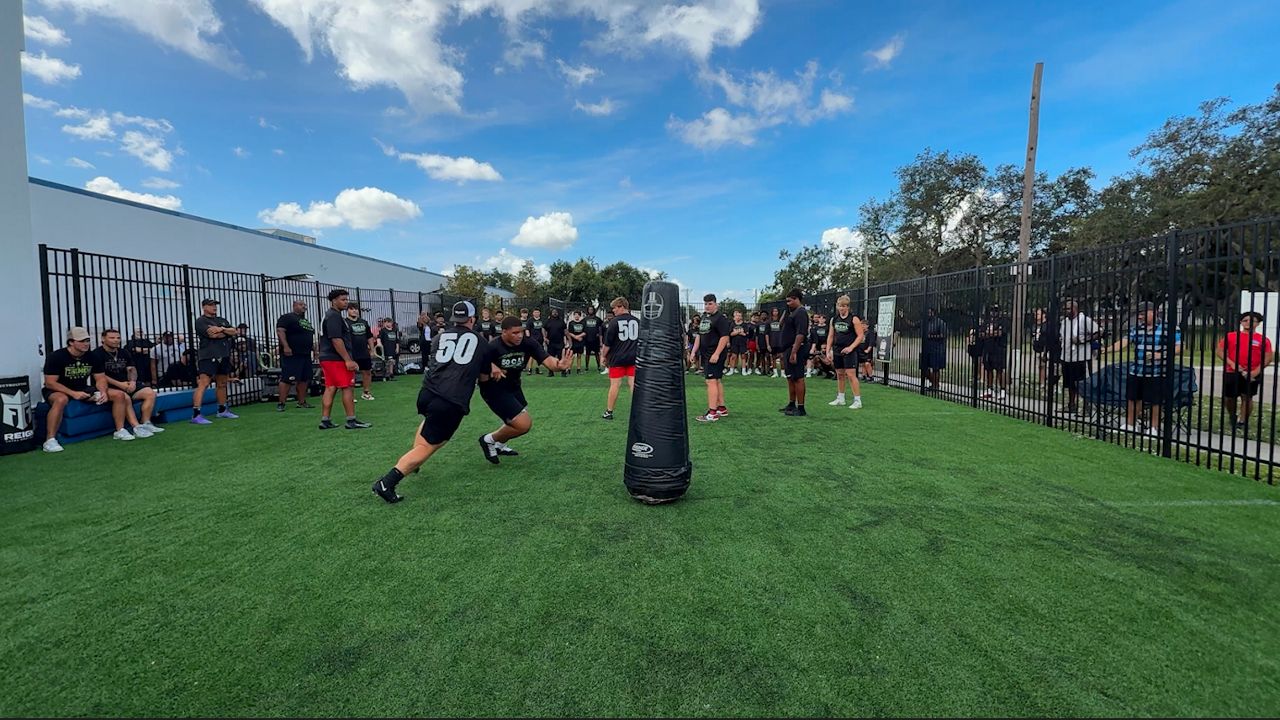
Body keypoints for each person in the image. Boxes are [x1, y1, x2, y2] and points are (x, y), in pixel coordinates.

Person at [371, 301, 500, 504]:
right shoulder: (481, 342)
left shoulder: (439, 337)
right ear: (472, 319)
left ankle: (414, 462)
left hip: (427, 392)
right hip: (450, 400)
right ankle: (387, 483)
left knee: (430, 426)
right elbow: (484, 378)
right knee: (432, 444)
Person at [478, 316, 574, 463]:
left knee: (516, 418)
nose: (519, 336)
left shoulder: (528, 343)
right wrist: (490, 365)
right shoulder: (493, 346)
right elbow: (476, 362)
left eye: (521, 332)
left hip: (514, 386)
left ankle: (499, 445)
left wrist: (559, 365)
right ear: (503, 332)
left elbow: (547, 360)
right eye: (515, 333)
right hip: (494, 389)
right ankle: (488, 439)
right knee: (523, 424)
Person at [1106, 302, 1181, 435]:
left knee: (1155, 401)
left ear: (1153, 312)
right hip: (1137, 370)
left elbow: (1179, 347)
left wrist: (1161, 355)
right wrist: (1106, 350)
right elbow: (1123, 342)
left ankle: (1154, 428)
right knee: (1132, 398)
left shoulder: (1169, 328)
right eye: (1138, 314)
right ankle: (1130, 425)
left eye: (1142, 314)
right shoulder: (1136, 328)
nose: (1140, 317)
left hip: (1157, 371)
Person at [89, 328, 162, 440]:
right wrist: (120, 385)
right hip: (108, 386)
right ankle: (136, 427)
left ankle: (146, 423)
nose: (116, 340)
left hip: (126, 383)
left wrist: (132, 382)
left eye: (118, 338)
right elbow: (100, 376)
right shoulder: (96, 354)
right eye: (112, 338)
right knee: (124, 397)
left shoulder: (123, 352)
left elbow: (131, 369)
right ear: (103, 339)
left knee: (150, 393)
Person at [40, 327, 104, 453]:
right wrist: (73, 394)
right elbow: (50, 383)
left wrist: (103, 392)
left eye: (87, 341)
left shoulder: (92, 356)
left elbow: (101, 379)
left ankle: (121, 430)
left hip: (81, 388)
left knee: (117, 395)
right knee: (61, 399)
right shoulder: (56, 356)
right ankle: (50, 440)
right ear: (71, 342)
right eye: (81, 341)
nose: (86, 344)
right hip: (57, 389)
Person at [317, 288, 371, 431]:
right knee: (347, 386)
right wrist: (347, 359)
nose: (346, 302)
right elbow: (336, 339)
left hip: (327, 357)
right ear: (334, 301)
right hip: (335, 358)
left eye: (347, 299)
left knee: (331, 387)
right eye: (343, 299)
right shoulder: (334, 316)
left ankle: (325, 419)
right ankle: (351, 420)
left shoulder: (331, 315)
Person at [1218, 311, 1274, 432]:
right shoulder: (1231, 336)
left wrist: (1256, 371)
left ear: (1258, 324)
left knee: (1247, 397)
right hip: (1232, 371)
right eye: (1245, 320)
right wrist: (1232, 363)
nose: (1248, 322)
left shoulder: (1263, 339)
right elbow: (1220, 351)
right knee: (1229, 398)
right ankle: (1232, 416)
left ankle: (1242, 421)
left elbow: (1268, 357)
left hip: (1252, 372)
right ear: (1241, 322)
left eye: (1252, 321)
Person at [191, 298, 240, 424]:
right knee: (204, 383)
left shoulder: (221, 320)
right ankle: (196, 414)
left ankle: (222, 410)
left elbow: (234, 331)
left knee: (222, 383)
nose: (214, 307)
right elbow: (212, 334)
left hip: (223, 355)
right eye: (211, 305)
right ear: (204, 307)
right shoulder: (201, 321)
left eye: (215, 305)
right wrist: (225, 332)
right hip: (208, 356)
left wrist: (222, 329)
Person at [691, 294, 732, 422]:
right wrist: (693, 352)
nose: (707, 306)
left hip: (714, 354)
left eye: (710, 303)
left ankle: (712, 413)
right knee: (717, 380)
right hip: (706, 353)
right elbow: (699, 335)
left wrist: (717, 353)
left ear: (716, 304)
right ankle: (721, 408)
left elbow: (724, 337)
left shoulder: (720, 319)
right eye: (705, 304)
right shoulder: (704, 317)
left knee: (711, 381)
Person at [1059, 300, 1101, 415]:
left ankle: (1086, 408)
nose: (1065, 311)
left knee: (1081, 382)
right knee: (1069, 383)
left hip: (1080, 357)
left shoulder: (1084, 320)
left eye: (1068, 308)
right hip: (1066, 356)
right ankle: (1071, 405)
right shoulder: (1065, 322)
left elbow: (1099, 332)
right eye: (1065, 309)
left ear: (1075, 308)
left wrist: (1083, 340)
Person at [601, 297, 639, 420]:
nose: (613, 311)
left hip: (617, 358)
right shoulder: (637, 321)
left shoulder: (614, 322)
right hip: (633, 357)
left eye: (615, 308)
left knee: (615, 385)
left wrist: (603, 356)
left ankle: (609, 411)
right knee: (633, 385)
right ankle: (638, 412)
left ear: (621, 306)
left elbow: (608, 344)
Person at [275, 299, 316, 411]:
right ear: (294, 306)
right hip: (292, 353)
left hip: (305, 354)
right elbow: (280, 331)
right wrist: (286, 346)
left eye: (305, 304)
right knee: (288, 378)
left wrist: (313, 349)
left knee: (304, 378)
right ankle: (281, 403)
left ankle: (301, 402)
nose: (304, 306)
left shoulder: (305, 321)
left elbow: (308, 335)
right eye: (301, 304)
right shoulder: (287, 317)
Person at [827, 296, 865, 408]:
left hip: (850, 351)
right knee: (839, 374)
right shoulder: (834, 320)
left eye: (844, 306)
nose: (841, 308)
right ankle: (841, 398)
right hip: (837, 350)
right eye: (839, 306)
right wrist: (829, 350)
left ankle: (857, 400)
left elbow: (860, 336)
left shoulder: (854, 319)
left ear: (848, 307)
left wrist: (851, 347)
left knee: (851, 374)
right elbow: (830, 336)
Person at [779, 290, 811, 416]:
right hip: (787, 348)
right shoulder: (791, 312)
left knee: (798, 378)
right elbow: (780, 324)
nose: (788, 303)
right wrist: (786, 310)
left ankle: (801, 407)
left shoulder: (801, 313)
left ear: (797, 299)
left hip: (796, 349)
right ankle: (791, 404)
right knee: (790, 378)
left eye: (790, 301)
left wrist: (794, 352)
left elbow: (800, 334)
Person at [978, 304, 1009, 400]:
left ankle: (1003, 391)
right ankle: (989, 390)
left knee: (1000, 370)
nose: (993, 313)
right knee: (988, 369)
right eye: (992, 311)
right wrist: (989, 334)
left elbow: (1000, 333)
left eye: (995, 311)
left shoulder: (1003, 321)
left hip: (999, 348)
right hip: (988, 348)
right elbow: (981, 333)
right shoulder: (987, 322)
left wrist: (989, 334)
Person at [346, 304, 376, 401]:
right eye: (351, 309)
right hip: (351, 352)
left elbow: (369, 336)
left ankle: (366, 392)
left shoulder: (364, 322)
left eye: (356, 309)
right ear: (348, 311)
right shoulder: (345, 323)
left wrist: (372, 349)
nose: (354, 311)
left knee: (367, 372)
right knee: (350, 374)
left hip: (363, 352)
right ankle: (351, 395)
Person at [921, 307, 947, 391]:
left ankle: (935, 386)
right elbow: (913, 325)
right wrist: (903, 318)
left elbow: (943, 335)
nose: (928, 315)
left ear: (933, 313)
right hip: (927, 349)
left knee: (936, 369)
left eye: (929, 313)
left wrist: (931, 336)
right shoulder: (925, 322)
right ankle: (934, 383)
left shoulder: (940, 323)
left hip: (937, 349)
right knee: (924, 368)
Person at [544, 308, 568, 378]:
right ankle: (550, 372)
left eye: (556, 312)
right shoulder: (548, 321)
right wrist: (545, 338)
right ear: (551, 313)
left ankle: (563, 372)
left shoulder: (561, 321)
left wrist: (568, 340)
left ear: (558, 313)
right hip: (551, 343)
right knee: (551, 358)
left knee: (561, 358)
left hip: (560, 342)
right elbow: (543, 329)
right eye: (553, 312)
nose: (555, 313)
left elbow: (565, 331)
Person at [525, 308, 547, 375]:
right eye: (535, 312)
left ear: (539, 313)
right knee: (531, 355)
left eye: (538, 312)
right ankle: (530, 369)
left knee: (539, 355)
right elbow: (527, 330)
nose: (536, 313)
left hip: (540, 340)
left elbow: (545, 329)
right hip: (533, 340)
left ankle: (538, 368)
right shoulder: (530, 320)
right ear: (533, 313)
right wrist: (528, 338)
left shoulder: (542, 320)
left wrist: (545, 338)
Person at [728, 309, 749, 376]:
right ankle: (731, 370)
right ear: (735, 316)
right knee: (733, 356)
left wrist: (740, 333)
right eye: (737, 316)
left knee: (743, 356)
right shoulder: (732, 324)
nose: (738, 317)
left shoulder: (744, 325)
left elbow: (746, 334)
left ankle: (743, 370)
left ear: (741, 317)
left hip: (742, 343)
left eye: (740, 316)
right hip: (734, 343)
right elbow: (730, 334)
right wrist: (737, 332)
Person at [583, 306, 604, 373]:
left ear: (594, 310)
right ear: (587, 310)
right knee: (587, 354)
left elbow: (602, 327)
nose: (590, 310)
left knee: (597, 354)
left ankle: (598, 366)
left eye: (592, 309)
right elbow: (582, 327)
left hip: (596, 339)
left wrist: (599, 334)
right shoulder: (585, 319)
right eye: (589, 309)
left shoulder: (598, 319)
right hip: (587, 339)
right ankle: (586, 367)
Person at [568, 310, 587, 374]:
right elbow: (569, 332)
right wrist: (575, 337)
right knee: (572, 356)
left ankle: (578, 369)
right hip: (573, 342)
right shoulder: (571, 323)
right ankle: (569, 369)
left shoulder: (583, 323)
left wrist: (579, 336)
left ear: (580, 315)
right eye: (575, 315)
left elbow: (585, 332)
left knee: (579, 356)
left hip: (580, 341)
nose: (576, 316)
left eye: (577, 315)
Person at [768, 307, 785, 378]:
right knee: (773, 357)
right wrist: (768, 344)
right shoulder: (769, 322)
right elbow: (767, 334)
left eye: (776, 311)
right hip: (772, 342)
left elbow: (781, 325)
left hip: (780, 342)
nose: (775, 312)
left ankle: (783, 373)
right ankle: (775, 373)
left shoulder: (781, 321)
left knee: (782, 357)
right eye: (774, 311)